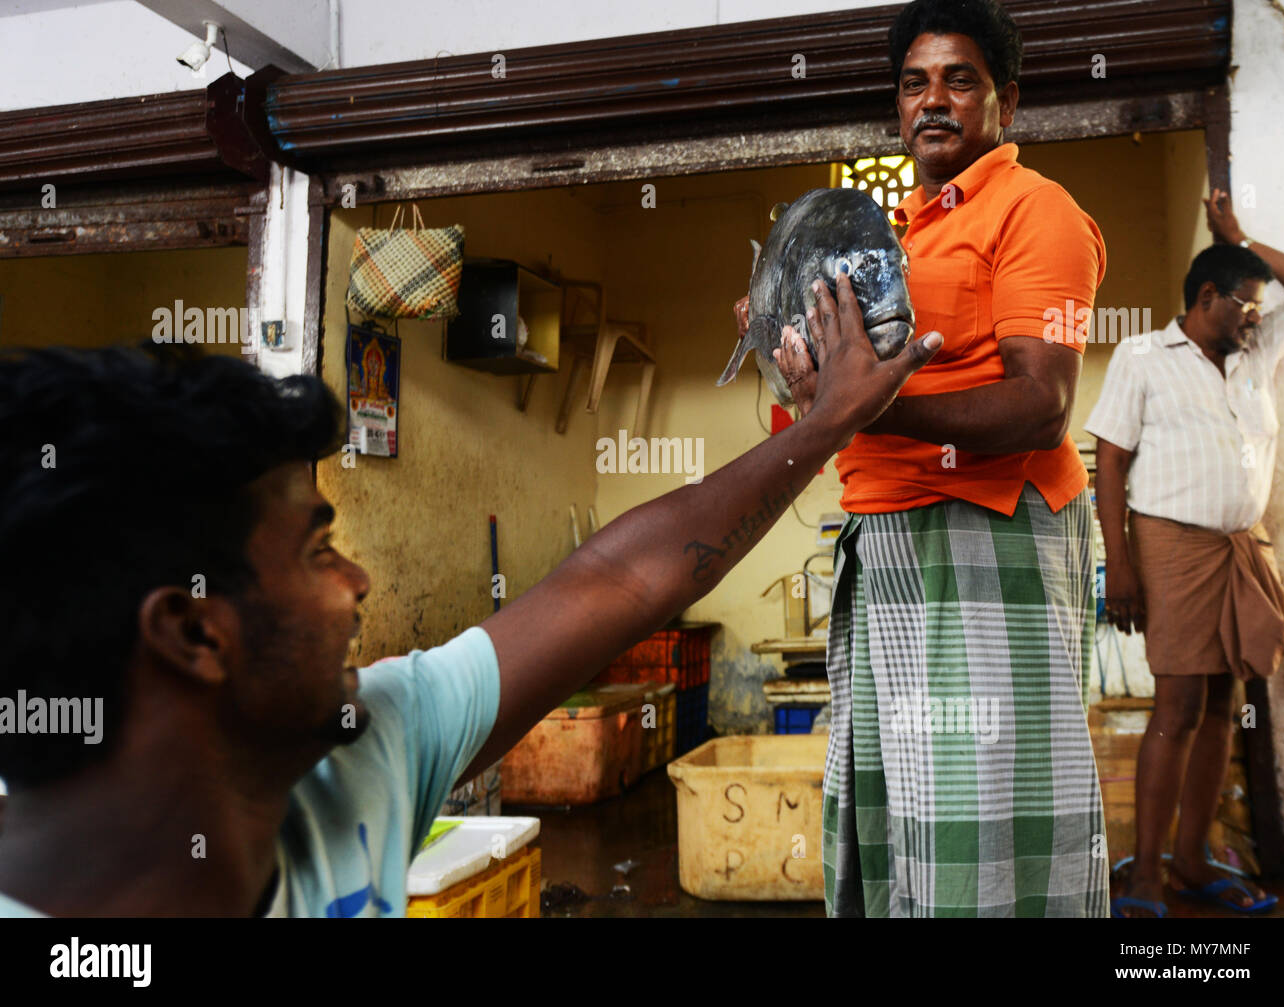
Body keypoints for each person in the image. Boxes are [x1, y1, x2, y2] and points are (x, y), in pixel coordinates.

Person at [0, 277, 940, 917]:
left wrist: (826, 423)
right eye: (320, 551)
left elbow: (615, 579)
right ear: (195, 629)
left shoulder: (368, 752)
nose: (359, 582)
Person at [747, 0, 1108, 916]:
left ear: (1007, 103)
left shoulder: (1041, 212)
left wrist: (869, 401)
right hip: (882, 539)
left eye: (960, 80)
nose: (933, 101)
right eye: (915, 82)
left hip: (992, 535)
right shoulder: (892, 229)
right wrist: (796, 368)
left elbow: (1042, 403)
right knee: (899, 814)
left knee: (985, 827)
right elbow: (842, 395)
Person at [1087, 190, 1284, 918]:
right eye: (1245, 302)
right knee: (1177, 703)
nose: (1256, 314)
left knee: (1224, 704)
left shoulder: (1253, 350)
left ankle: (1190, 856)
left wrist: (1240, 237)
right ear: (1207, 296)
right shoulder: (1143, 354)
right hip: (1170, 544)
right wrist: (1119, 563)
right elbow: (1109, 461)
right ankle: (1146, 872)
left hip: (1239, 548)